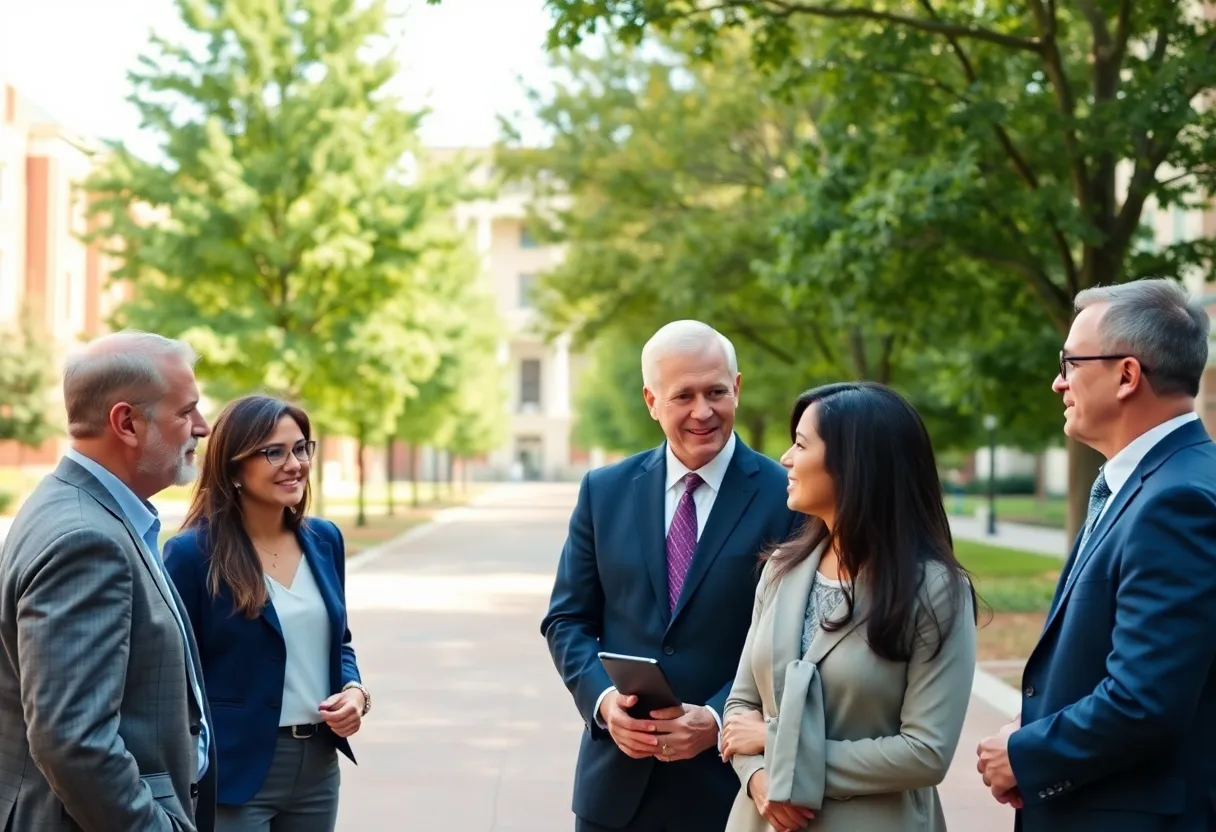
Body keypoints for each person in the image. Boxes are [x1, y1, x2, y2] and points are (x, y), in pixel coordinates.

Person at [541, 320, 802, 832]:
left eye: (716, 392)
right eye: (683, 395)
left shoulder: (788, 498)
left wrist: (720, 717)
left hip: (736, 790)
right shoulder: (604, 491)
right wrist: (603, 702)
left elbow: (801, 639)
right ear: (651, 400)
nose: (702, 411)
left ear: (738, 388)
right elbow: (566, 619)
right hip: (615, 792)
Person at [977, 279, 1216, 831]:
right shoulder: (1156, 484)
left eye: (1070, 362)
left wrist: (1027, 752)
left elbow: (1144, 700)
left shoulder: (1176, 502)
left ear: (1127, 375)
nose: (1059, 382)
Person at [720, 382, 977, 832]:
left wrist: (781, 746)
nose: (785, 457)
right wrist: (758, 775)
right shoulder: (781, 568)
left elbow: (925, 753)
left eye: (800, 444)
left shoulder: (936, 589)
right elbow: (742, 704)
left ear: (853, 465)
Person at [0, 330, 215, 831]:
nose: (202, 427)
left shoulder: (81, 510)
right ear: (127, 422)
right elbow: (73, 742)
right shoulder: (85, 539)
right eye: (186, 411)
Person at [164, 395, 369, 831]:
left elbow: (338, 641)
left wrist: (355, 691)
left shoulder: (325, 540)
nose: (294, 463)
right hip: (235, 771)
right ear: (234, 467)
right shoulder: (191, 555)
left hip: (317, 767)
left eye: (301, 448)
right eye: (273, 452)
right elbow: (173, 674)